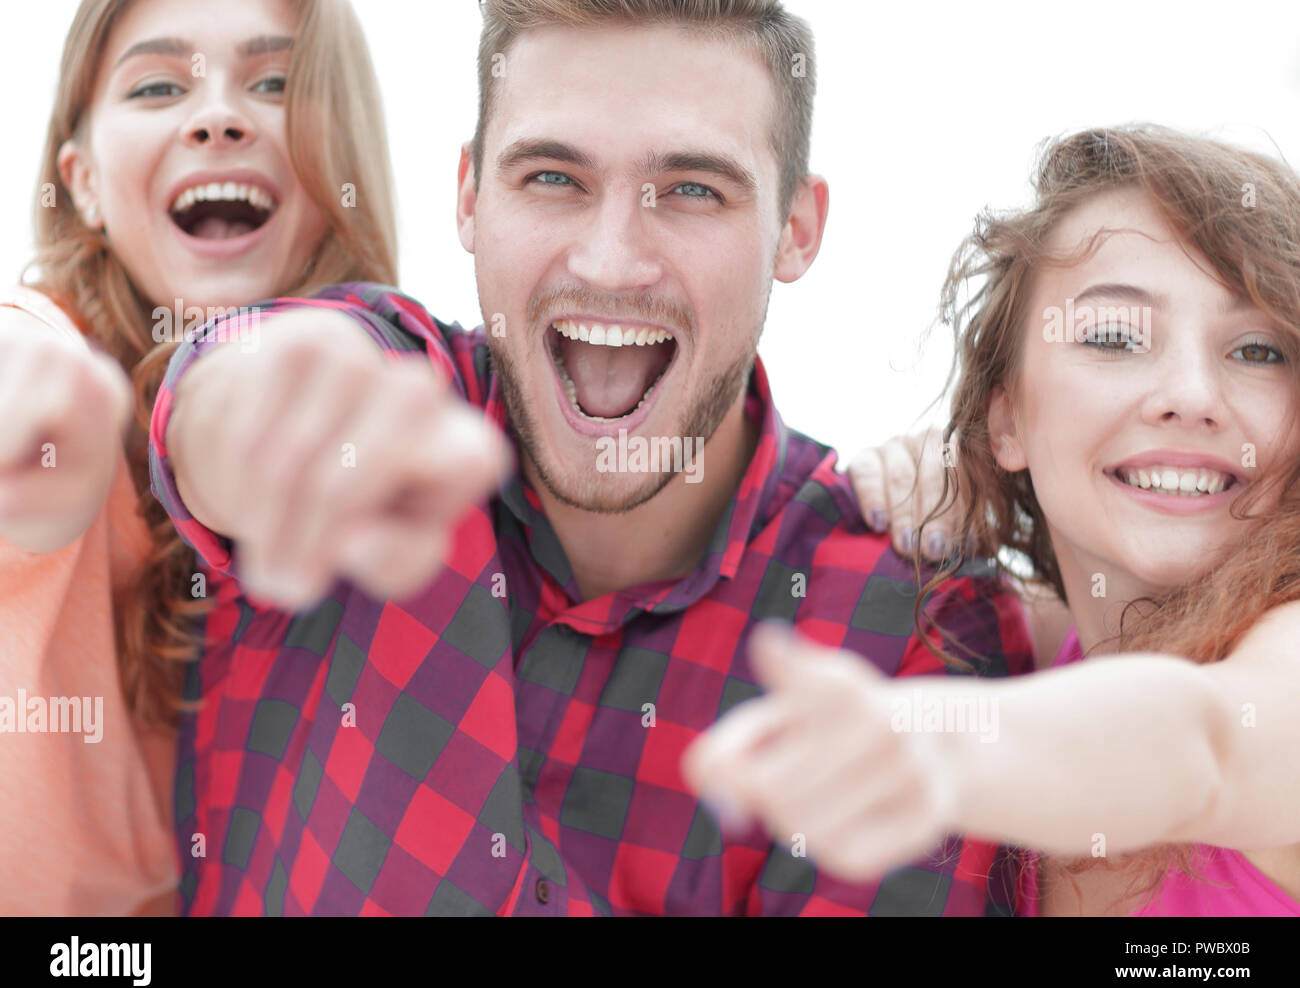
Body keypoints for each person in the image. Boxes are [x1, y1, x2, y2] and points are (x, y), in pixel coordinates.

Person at [149, 0, 1034, 915]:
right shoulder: (387, 398)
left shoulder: (918, 627)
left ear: (796, 229)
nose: (611, 264)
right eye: (551, 177)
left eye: (693, 190)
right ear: (469, 196)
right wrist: (256, 421)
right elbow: (233, 392)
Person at [684, 124, 1300, 915]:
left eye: (1257, 351)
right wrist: (920, 492)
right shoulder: (1033, 649)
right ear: (1005, 420)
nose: (1192, 394)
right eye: (1114, 338)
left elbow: (1207, 745)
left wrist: (933, 747)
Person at [0, 0, 402, 914]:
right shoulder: (49, 356)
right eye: (156, 86)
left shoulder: (384, 406)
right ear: (86, 182)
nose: (219, 115)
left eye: (273, 83)